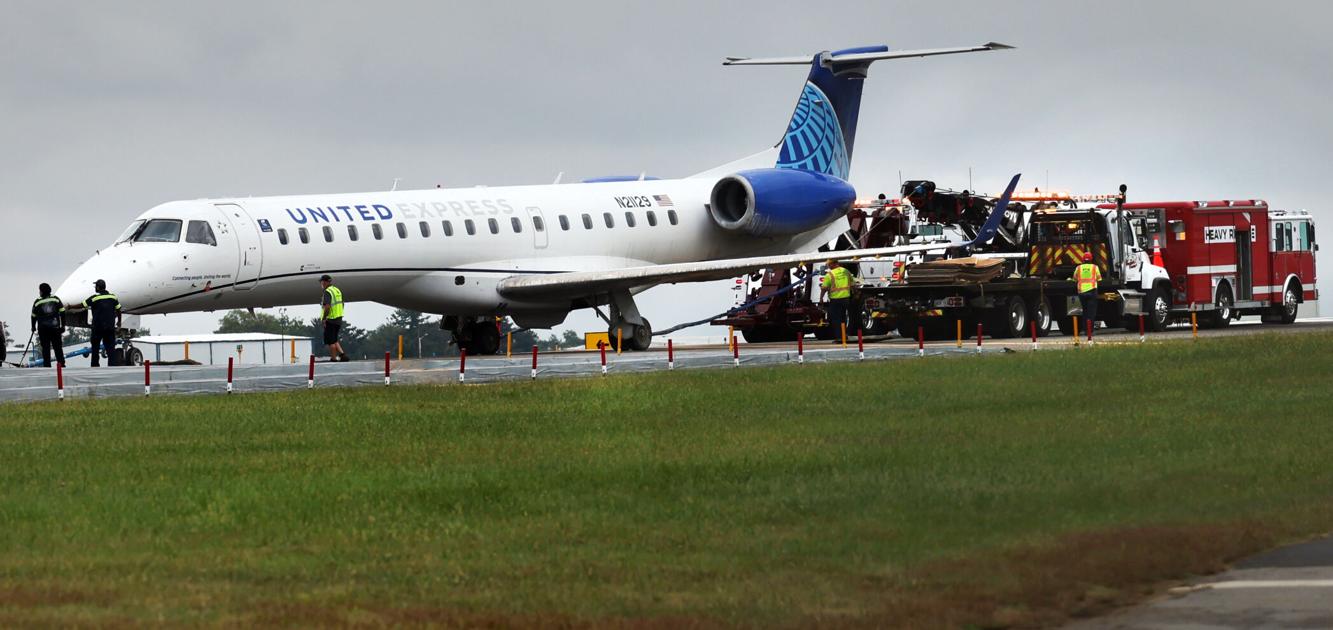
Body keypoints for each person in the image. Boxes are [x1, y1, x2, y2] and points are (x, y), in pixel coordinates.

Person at [83, 279, 121, 367]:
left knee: (95, 348)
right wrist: (119, 322)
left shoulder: (94, 298)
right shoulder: (113, 297)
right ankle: (112, 367)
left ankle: (95, 366)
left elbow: (83, 304)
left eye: (95, 286)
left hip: (97, 328)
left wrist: (70, 306)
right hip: (109, 328)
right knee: (111, 349)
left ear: (98, 287)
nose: (95, 288)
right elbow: (119, 309)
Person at [820, 259, 859, 341]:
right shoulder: (846, 271)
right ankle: (844, 335)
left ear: (835, 264)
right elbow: (853, 285)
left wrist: (821, 299)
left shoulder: (830, 274)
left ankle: (839, 337)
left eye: (829, 265)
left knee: (835, 319)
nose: (829, 266)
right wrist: (855, 294)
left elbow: (824, 288)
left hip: (835, 300)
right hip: (845, 299)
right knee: (843, 318)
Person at [31, 283, 66, 368]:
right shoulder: (56, 299)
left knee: (45, 348)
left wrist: (33, 327)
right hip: (55, 328)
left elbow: (33, 316)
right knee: (57, 347)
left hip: (43, 329)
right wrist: (63, 325)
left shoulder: (37, 302)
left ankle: (47, 366)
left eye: (40, 290)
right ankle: (61, 364)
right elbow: (62, 312)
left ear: (42, 291)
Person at [319, 275, 349, 362]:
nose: (321, 284)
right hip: (338, 318)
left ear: (325, 282)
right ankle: (343, 355)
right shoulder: (336, 290)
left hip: (331, 319)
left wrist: (325, 318)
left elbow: (327, 307)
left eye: (321, 282)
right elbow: (342, 303)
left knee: (330, 341)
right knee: (334, 338)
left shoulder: (327, 292)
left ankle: (333, 358)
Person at [1074, 251, 1102, 334]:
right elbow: (1099, 278)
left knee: (1085, 311)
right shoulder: (1095, 267)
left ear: (1083, 259)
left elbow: (1075, 278)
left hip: (1081, 293)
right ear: (1091, 259)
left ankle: (1084, 330)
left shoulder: (1078, 268)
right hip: (1092, 291)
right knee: (1091, 312)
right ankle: (1090, 331)